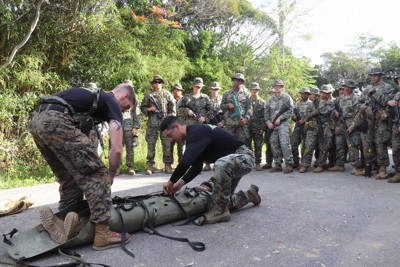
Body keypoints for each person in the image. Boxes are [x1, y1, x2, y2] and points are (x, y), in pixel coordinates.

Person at [29, 82, 135, 250]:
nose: (124, 111)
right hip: (57, 120)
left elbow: (82, 140)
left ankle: (64, 221)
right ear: (124, 96)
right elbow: (116, 148)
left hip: (38, 120)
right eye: (126, 107)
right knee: (97, 173)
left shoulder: (91, 98)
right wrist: (111, 174)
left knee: (70, 177)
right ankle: (103, 233)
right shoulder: (111, 102)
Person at [160, 116, 261, 225]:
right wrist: (178, 185)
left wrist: (171, 182)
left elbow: (185, 162)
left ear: (176, 127)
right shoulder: (193, 138)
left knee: (220, 165)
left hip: (244, 157)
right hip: (230, 164)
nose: (170, 139)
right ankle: (250, 195)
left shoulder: (196, 131)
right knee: (219, 201)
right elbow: (196, 167)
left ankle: (220, 212)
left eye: (170, 135)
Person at [352, 68, 395, 178]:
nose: (373, 77)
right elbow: (358, 103)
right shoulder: (367, 89)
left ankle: (382, 169)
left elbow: (387, 102)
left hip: (380, 120)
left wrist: (374, 94)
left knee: (380, 144)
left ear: (381, 76)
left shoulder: (387, 87)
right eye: (372, 75)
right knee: (367, 144)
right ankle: (370, 166)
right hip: (368, 121)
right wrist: (365, 108)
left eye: (376, 75)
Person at [140, 75, 176, 175]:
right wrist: (148, 109)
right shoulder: (149, 96)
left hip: (165, 123)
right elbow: (142, 108)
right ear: (153, 84)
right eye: (155, 82)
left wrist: (167, 118)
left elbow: (173, 110)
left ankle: (167, 165)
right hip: (152, 123)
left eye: (159, 82)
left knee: (167, 144)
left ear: (162, 83)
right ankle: (150, 165)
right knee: (151, 144)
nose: (157, 84)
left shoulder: (167, 94)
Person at [299, 85, 335, 173]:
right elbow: (307, 115)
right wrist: (311, 117)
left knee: (323, 147)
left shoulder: (330, 103)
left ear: (328, 94)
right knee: (309, 146)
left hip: (324, 127)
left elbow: (326, 112)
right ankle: (304, 164)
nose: (323, 94)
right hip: (313, 127)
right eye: (322, 92)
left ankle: (320, 164)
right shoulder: (313, 103)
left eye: (326, 93)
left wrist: (316, 111)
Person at [331, 79, 361, 174]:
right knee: (339, 145)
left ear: (352, 88)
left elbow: (358, 115)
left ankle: (354, 166)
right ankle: (339, 165)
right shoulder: (339, 99)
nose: (347, 89)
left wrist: (352, 127)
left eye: (349, 87)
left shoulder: (355, 98)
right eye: (345, 87)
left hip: (351, 124)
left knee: (352, 146)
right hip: (340, 124)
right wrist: (335, 112)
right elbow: (332, 108)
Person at [264, 79, 295, 173]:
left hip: (283, 125)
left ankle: (289, 164)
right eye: (275, 86)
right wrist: (268, 122)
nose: (277, 88)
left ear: (282, 87)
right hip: (272, 126)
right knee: (274, 145)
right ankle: (277, 164)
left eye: (279, 86)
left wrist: (280, 118)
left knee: (284, 144)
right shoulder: (269, 99)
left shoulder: (287, 97)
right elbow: (266, 113)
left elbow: (291, 111)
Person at [220, 73, 253, 146]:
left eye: (240, 81)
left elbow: (250, 108)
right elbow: (221, 106)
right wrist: (228, 105)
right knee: (228, 144)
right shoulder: (226, 93)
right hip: (229, 124)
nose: (238, 82)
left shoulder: (247, 94)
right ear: (233, 81)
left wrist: (246, 118)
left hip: (241, 124)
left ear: (242, 82)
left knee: (241, 145)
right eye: (236, 80)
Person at [120, 80, 140, 175]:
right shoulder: (117, 96)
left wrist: (136, 127)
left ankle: (130, 167)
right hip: (117, 126)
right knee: (116, 147)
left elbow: (137, 113)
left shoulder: (134, 98)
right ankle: (116, 167)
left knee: (129, 147)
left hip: (129, 125)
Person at [290, 88, 312, 169]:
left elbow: (312, 115)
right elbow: (292, 113)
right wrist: (293, 117)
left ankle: (303, 163)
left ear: (308, 94)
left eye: (305, 93)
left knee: (305, 145)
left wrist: (305, 120)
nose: (303, 95)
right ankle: (296, 162)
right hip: (297, 126)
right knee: (293, 144)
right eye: (302, 93)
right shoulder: (297, 103)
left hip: (306, 127)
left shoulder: (311, 104)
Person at [248, 82, 266, 171]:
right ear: (250, 90)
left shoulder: (262, 102)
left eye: (256, 90)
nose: (255, 91)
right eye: (253, 89)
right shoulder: (246, 101)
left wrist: (262, 128)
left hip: (257, 127)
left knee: (258, 146)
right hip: (247, 126)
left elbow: (265, 116)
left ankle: (258, 163)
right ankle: (249, 162)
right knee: (247, 145)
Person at [171, 83, 185, 163]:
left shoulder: (185, 100)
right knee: (169, 146)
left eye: (179, 90)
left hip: (181, 126)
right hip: (171, 127)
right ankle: (169, 164)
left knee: (181, 146)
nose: (177, 91)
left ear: (181, 91)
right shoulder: (170, 99)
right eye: (175, 89)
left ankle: (181, 163)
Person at [262, 87, 276, 169]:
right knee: (268, 144)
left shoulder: (279, 102)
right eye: (270, 92)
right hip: (268, 126)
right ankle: (269, 162)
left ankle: (278, 162)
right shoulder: (267, 102)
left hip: (277, 126)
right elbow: (264, 116)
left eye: (273, 92)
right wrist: (264, 127)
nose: (271, 94)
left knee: (277, 145)